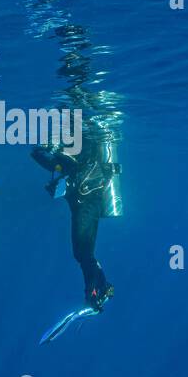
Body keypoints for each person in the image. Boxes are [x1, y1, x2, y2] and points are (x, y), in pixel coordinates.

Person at [31, 121, 120, 313]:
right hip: (84, 203)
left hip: (87, 204)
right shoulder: (69, 150)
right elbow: (38, 155)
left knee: (83, 253)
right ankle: (100, 287)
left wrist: (55, 153)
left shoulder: (83, 144)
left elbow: (85, 168)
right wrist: (55, 157)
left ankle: (94, 291)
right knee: (83, 253)